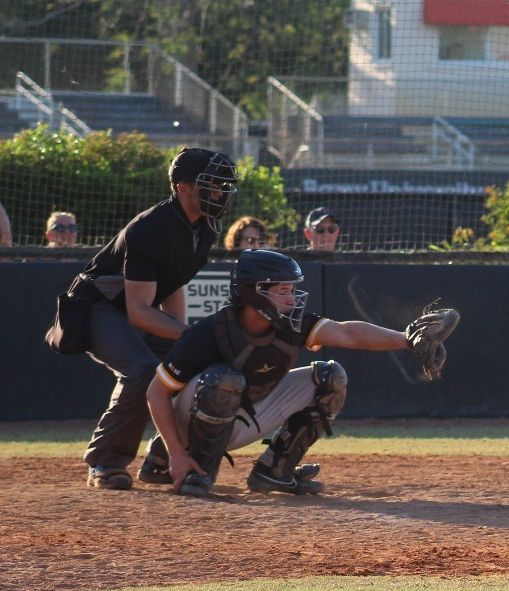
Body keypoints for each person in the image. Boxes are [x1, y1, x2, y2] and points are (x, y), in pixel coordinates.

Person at [141, 250, 456, 497]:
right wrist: (176, 452)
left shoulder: (292, 323)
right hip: (190, 425)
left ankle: (274, 471)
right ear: (255, 292)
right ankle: (193, 470)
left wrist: (404, 339)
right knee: (224, 380)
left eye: (292, 290)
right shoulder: (209, 331)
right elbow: (156, 393)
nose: (292, 299)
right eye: (283, 291)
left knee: (331, 378)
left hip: (243, 417)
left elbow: (348, 334)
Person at [66, 148, 238, 490]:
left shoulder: (204, 228)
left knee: (197, 363)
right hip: (97, 307)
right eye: (211, 184)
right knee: (143, 370)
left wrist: (187, 346)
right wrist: (188, 336)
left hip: (132, 308)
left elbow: (172, 285)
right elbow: (139, 311)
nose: (219, 192)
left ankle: (162, 458)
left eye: (222, 185)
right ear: (182, 187)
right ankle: (105, 461)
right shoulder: (150, 228)